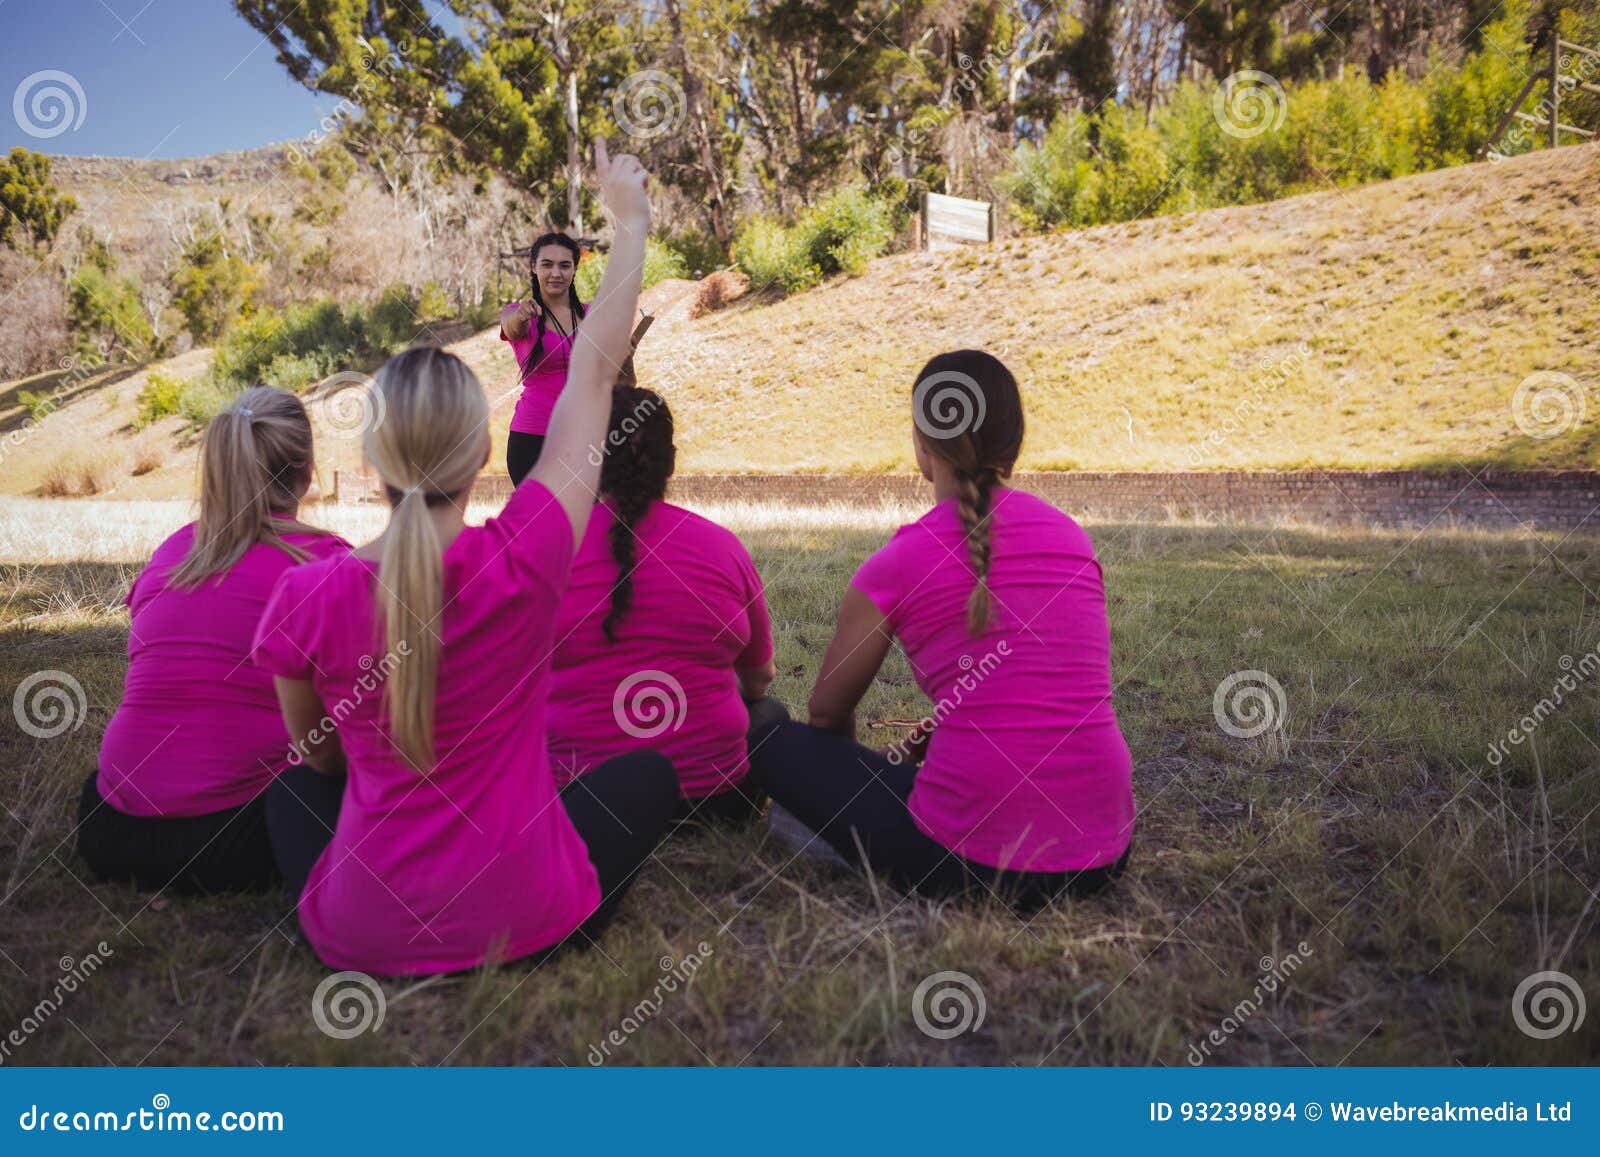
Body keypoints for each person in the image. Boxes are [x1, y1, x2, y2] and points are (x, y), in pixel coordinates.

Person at [253, 139, 671, 975]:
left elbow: (321, 758)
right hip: (535, 920)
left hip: (361, 940)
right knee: (650, 778)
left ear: (371, 459)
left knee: (291, 793)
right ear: (485, 450)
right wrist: (631, 226)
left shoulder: (306, 597)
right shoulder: (532, 551)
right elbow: (594, 378)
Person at [751, 350, 1136, 909]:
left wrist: (846, 780)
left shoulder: (898, 560)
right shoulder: (1073, 539)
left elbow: (828, 715)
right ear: (1014, 440)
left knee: (770, 733)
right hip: (1106, 854)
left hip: (971, 865)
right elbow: (1031, 688)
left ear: (922, 446)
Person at [78, 387, 350, 894]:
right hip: (229, 840)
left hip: (107, 828)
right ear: (308, 472)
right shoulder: (324, 561)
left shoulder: (174, 550)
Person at [547, 385, 785, 825]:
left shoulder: (550, 551)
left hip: (579, 804)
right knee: (772, 714)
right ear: (670, 462)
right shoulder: (722, 547)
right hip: (715, 805)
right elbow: (758, 680)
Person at [499, 232, 586, 485]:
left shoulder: (594, 316)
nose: (555, 273)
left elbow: (617, 378)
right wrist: (523, 316)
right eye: (547, 264)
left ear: (574, 269)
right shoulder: (518, 313)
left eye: (564, 265)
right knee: (542, 523)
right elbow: (512, 327)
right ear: (533, 268)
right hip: (532, 438)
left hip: (584, 437)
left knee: (589, 521)